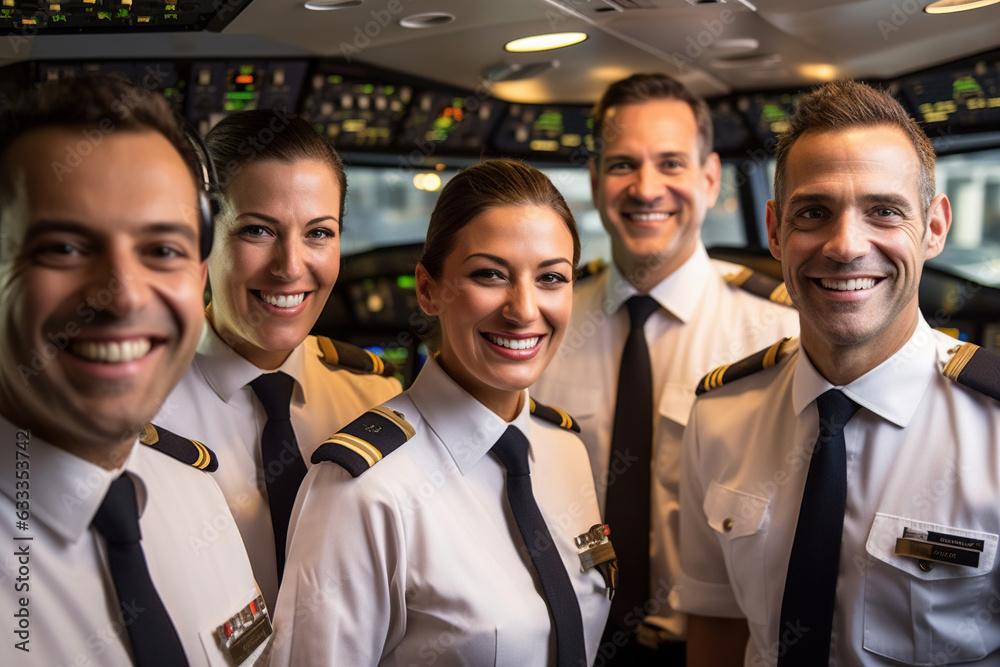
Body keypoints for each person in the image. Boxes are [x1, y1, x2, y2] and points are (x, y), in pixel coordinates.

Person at [673, 79, 1000, 666]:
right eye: (814, 213)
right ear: (774, 231)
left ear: (933, 227)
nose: (846, 245)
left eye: (883, 211)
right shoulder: (719, 416)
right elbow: (718, 624)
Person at [266, 159, 613, 666]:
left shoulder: (565, 449)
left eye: (551, 278)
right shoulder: (361, 490)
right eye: (489, 274)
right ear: (428, 290)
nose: (523, 310)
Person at [0, 75, 268, 666]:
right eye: (65, 248)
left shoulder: (198, 495)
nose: (121, 297)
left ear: (198, 282)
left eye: (163, 250)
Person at [531, 73, 799, 663]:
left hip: (711, 646)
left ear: (709, 179)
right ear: (597, 181)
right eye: (624, 165)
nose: (646, 188)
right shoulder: (541, 325)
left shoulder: (784, 333)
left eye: (671, 164)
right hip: (564, 643)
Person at [154, 109, 401, 610]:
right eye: (258, 231)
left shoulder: (376, 398)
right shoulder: (138, 405)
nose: (291, 267)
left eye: (318, 233)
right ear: (200, 235)